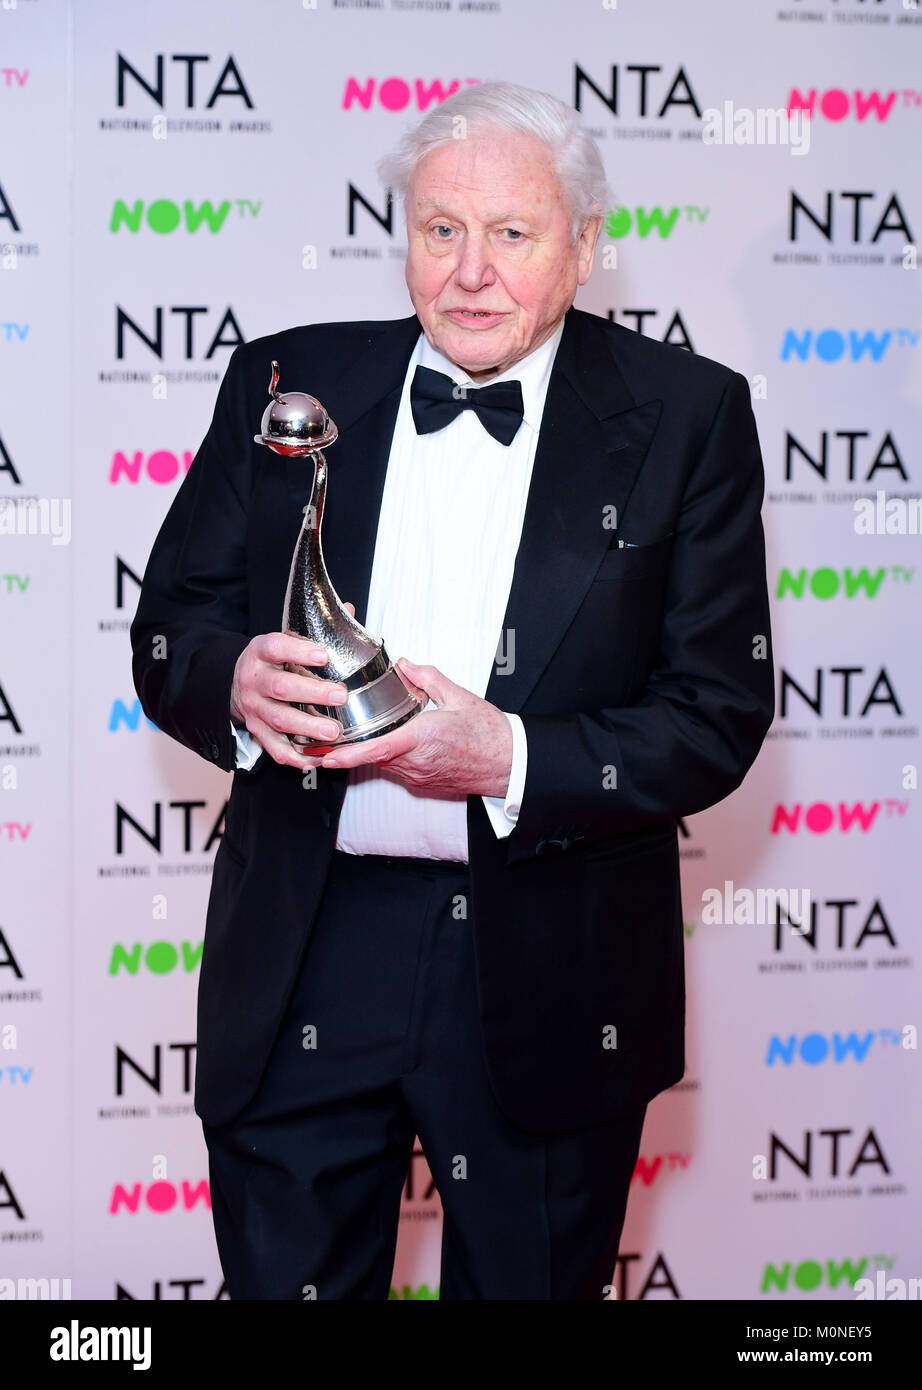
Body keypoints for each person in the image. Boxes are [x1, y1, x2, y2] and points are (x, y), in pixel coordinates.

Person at [131, 81, 774, 1300]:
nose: (471, 272)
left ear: (583, 246)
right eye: (441, 229)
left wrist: (507, 758)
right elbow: (173, 628)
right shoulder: (286, 383)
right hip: (307, 943)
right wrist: (234, 685)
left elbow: (715, 713)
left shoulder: (688, 417)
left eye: (511, 233)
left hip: (551, 958)